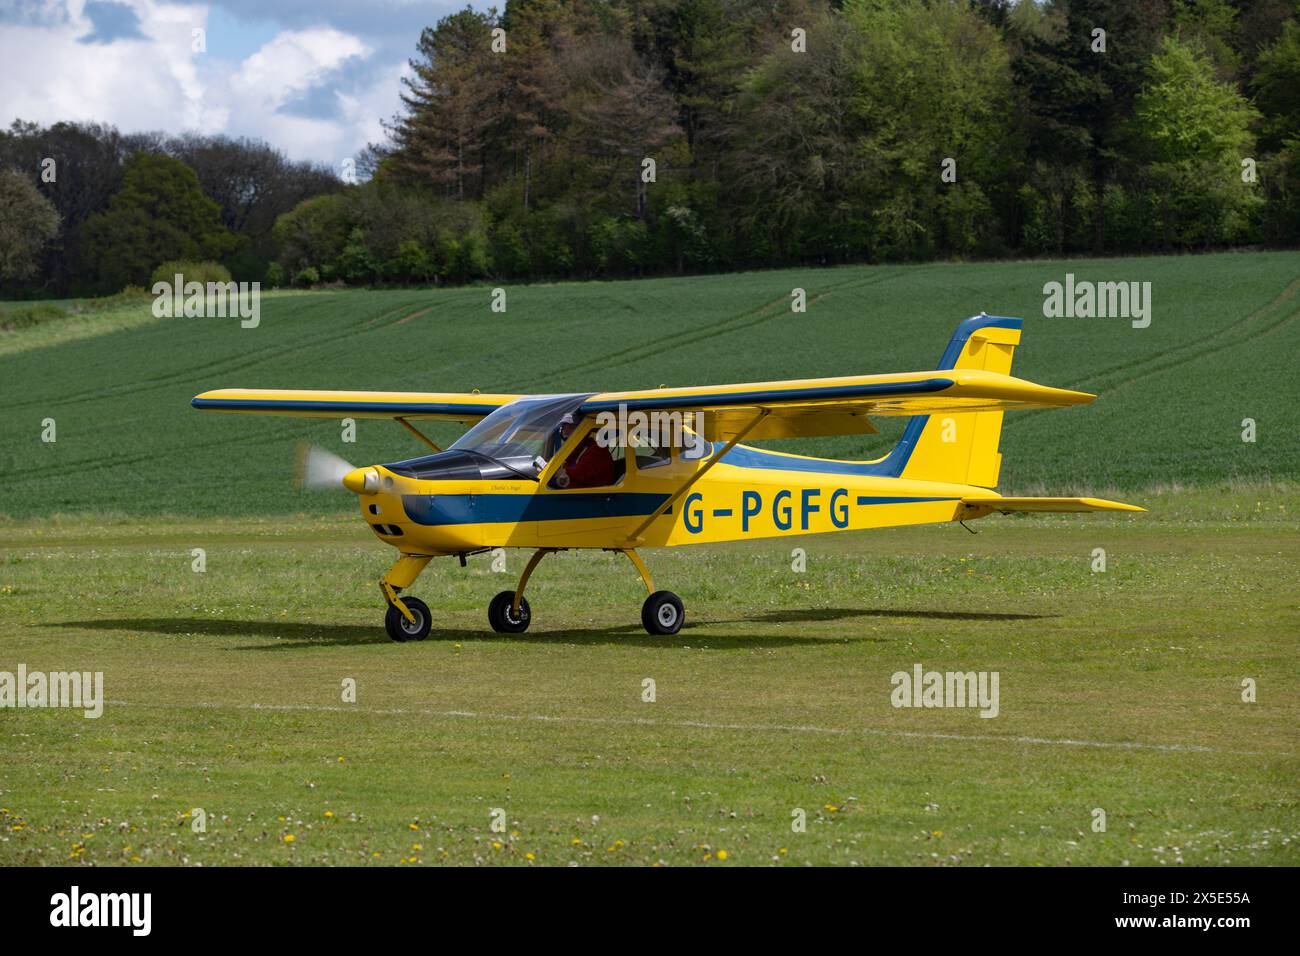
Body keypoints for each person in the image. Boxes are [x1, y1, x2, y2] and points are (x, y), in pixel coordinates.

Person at [552, 413, 615, 488]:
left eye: (571, 427)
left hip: (596, 496)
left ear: (582, 431)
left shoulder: (597, 449)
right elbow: (568, 464)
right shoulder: (578, 450)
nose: (565, 432)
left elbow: (582, 473)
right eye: (564, 428)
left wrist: (564, 472)